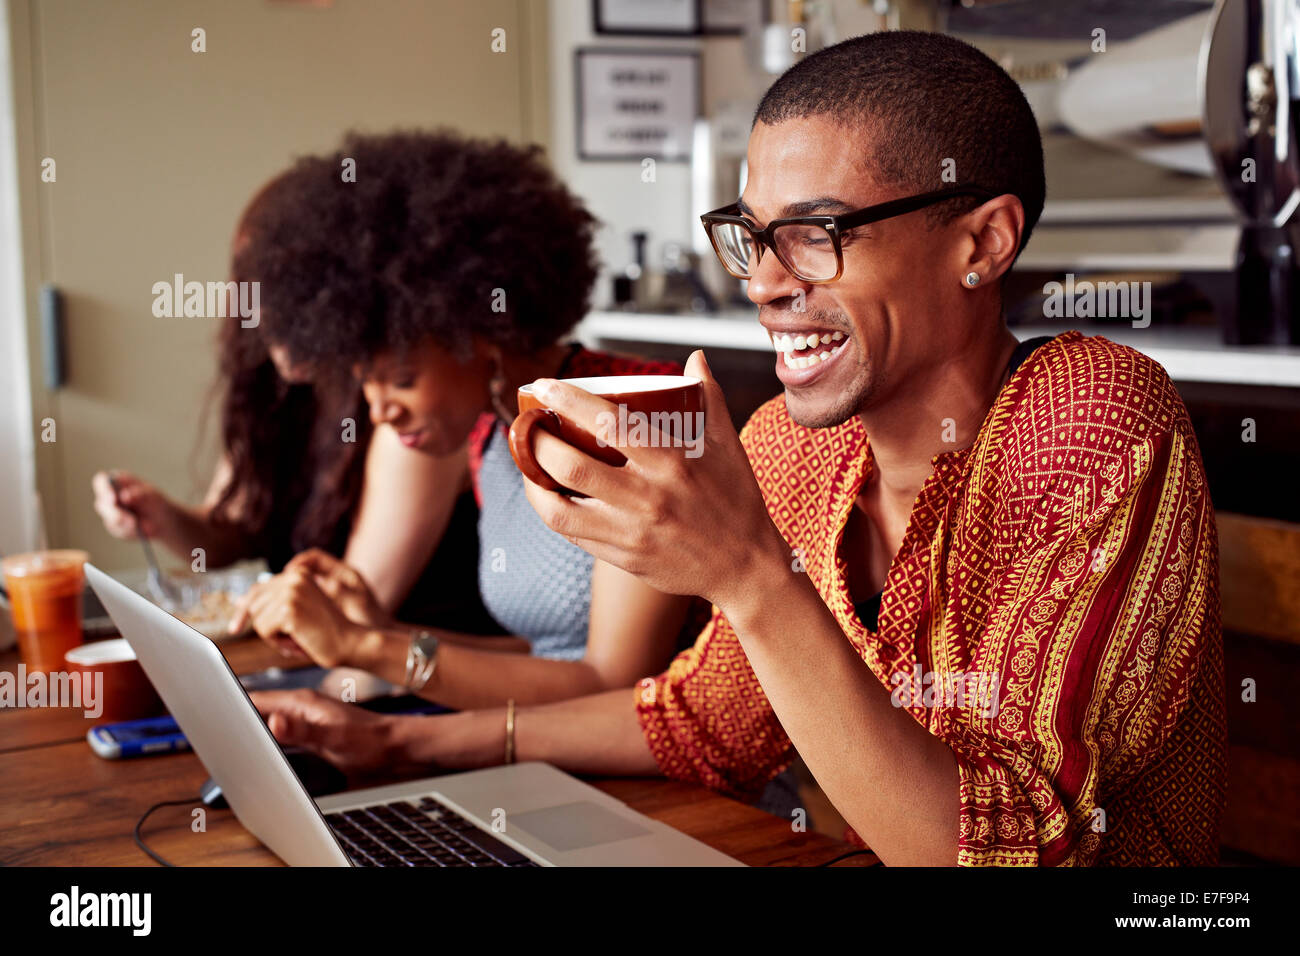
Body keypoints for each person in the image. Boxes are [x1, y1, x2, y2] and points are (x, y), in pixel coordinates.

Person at [251, 32, 1227, 866]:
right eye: (752, 236)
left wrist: (747, 571)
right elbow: (699, 723)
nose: (762, 283)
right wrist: (397, 745)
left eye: (814, 233)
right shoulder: (798, 451)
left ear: (981, 243)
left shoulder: (1087, 415)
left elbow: (1002, 853)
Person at [230, 130, 714, 719]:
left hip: (669, 761)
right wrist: (380, 629)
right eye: (365, 382)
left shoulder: (636, 413)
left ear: (477, 333)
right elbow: (542, 656)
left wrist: (368, 649)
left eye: (401, 378)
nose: (379, 411)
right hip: (546, 753)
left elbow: (610, 682)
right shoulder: (489, 434)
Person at [90, 173, 497, 630]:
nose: (267, 316)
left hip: (405, 663)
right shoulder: (273, 388)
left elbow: (351, 612)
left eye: (292, 294)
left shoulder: (406, 411)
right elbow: (230, 535)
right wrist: (163, 518)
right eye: (255, 289)